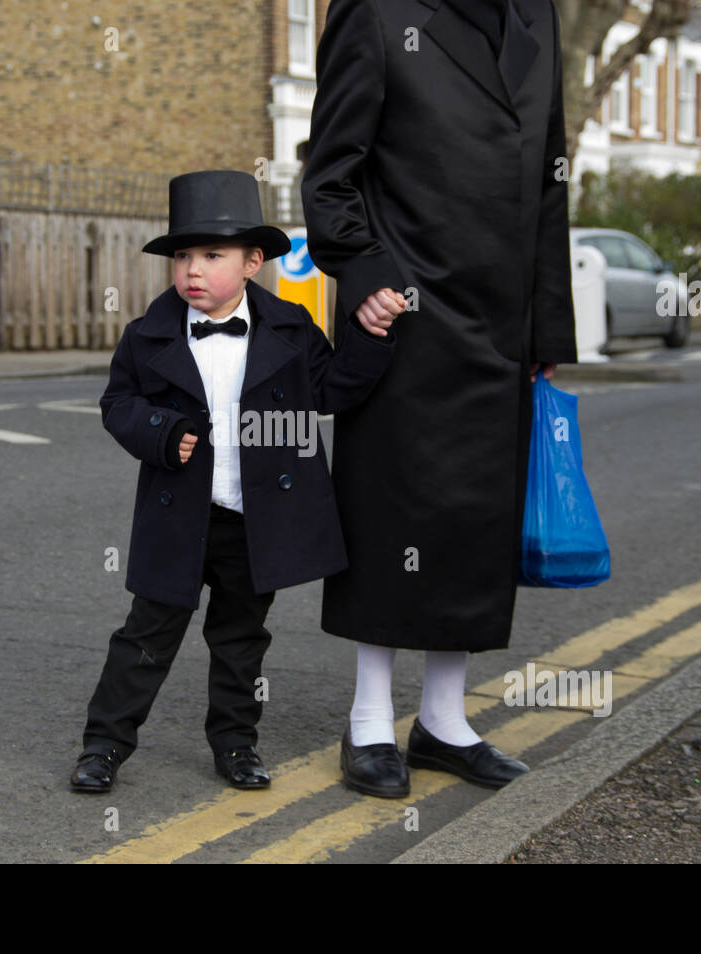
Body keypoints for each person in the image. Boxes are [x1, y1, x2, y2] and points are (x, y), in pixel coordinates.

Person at [301, 0, 579, 797]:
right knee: (392, 518)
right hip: (404, 313)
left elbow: (550, 180)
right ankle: (368, 720)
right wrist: (365, 275)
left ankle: (443, 723)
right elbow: (330, 174)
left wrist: (546, 328)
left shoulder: (536, 14)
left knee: (473, 523)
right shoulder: (377, 9)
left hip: (501, 325)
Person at [69, 170, 397, 793]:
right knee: (147, 634)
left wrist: (368, 334)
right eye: (182, 257)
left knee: (241, 640)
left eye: (212, 256)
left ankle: (236, 745)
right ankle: (104, 745)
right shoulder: (146, 335)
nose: (192, 270)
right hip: (179, 515)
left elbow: (332, 390)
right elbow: (119, 404)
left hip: (255, 518)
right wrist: (161, 430)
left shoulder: (291, 327)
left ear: (252, 263)